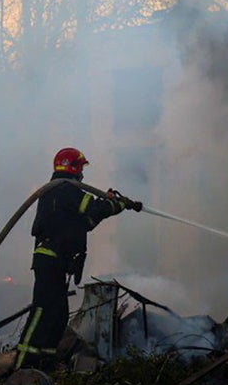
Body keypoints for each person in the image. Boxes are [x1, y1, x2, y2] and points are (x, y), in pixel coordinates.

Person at [14, 147, 142, 371]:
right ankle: (24, 362)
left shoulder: (62, 192)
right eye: (80, 168)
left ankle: (44, 362)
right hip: (50, 259)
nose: (82, 173)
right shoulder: (65, 189)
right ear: (72, 167)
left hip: (57, 261)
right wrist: (116, 204)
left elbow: (86, 222)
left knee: (58, 313)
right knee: (43, 310)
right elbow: (94, 207)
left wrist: (112, 205)